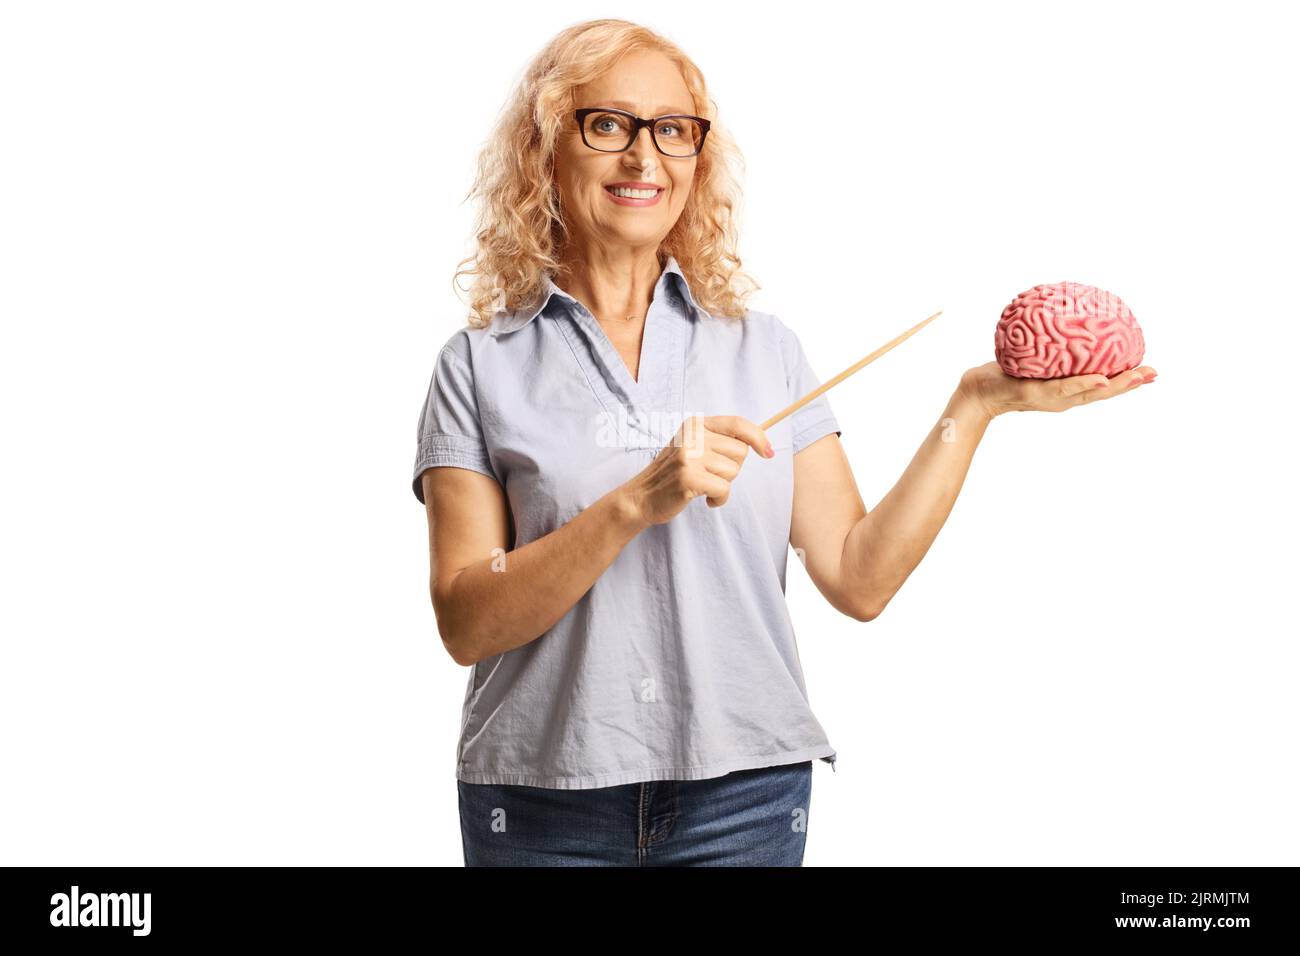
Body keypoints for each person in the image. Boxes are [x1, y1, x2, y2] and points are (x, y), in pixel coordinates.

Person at [411, 19, 1157, 867]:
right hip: (541, 802)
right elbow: (466, 621)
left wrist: (974, 405)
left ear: (697, 156)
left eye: (672, 130)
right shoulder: (478, 365)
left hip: (747, 796)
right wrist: (633, 504)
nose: (643, 158)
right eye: (608, 123)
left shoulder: (764, 350)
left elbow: (858, 576)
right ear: (548, 148)